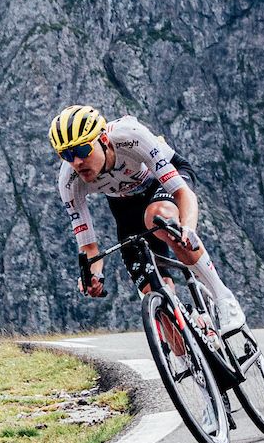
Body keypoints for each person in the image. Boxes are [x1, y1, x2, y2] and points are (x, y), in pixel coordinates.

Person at [52, 104, 245, 332]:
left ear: (103, 140)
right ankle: (185, 358)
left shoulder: (131, 137)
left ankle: (224, 298)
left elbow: (182, 193)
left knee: (159, 218)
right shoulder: (69, 181)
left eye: (82, 150)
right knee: (153, 294)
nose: (76, 161)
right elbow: (89, 247)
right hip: (125, 206)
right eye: (66, 154)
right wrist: (94, 275)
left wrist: (188, 229)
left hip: (163, 181)